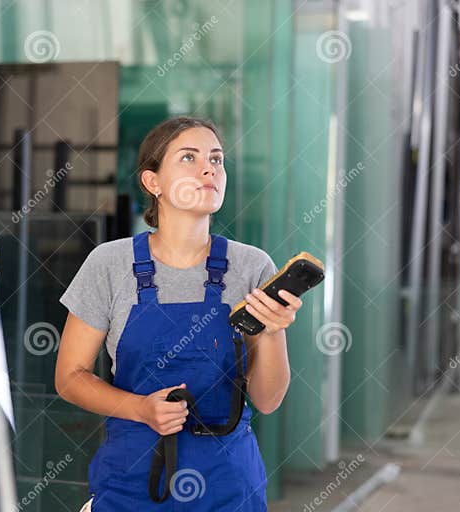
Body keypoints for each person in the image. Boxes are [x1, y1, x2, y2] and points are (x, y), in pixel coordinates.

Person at [55, 116, 301, 511]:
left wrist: (272, 331)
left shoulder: (252, 266)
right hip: (131, 486)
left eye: (217, 160)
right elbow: (69, 378)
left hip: (228, 487)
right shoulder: (109, 264)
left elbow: (267, 400)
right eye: (189, 158)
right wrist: (140, 408)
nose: (209, 169)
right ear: (153, 182)